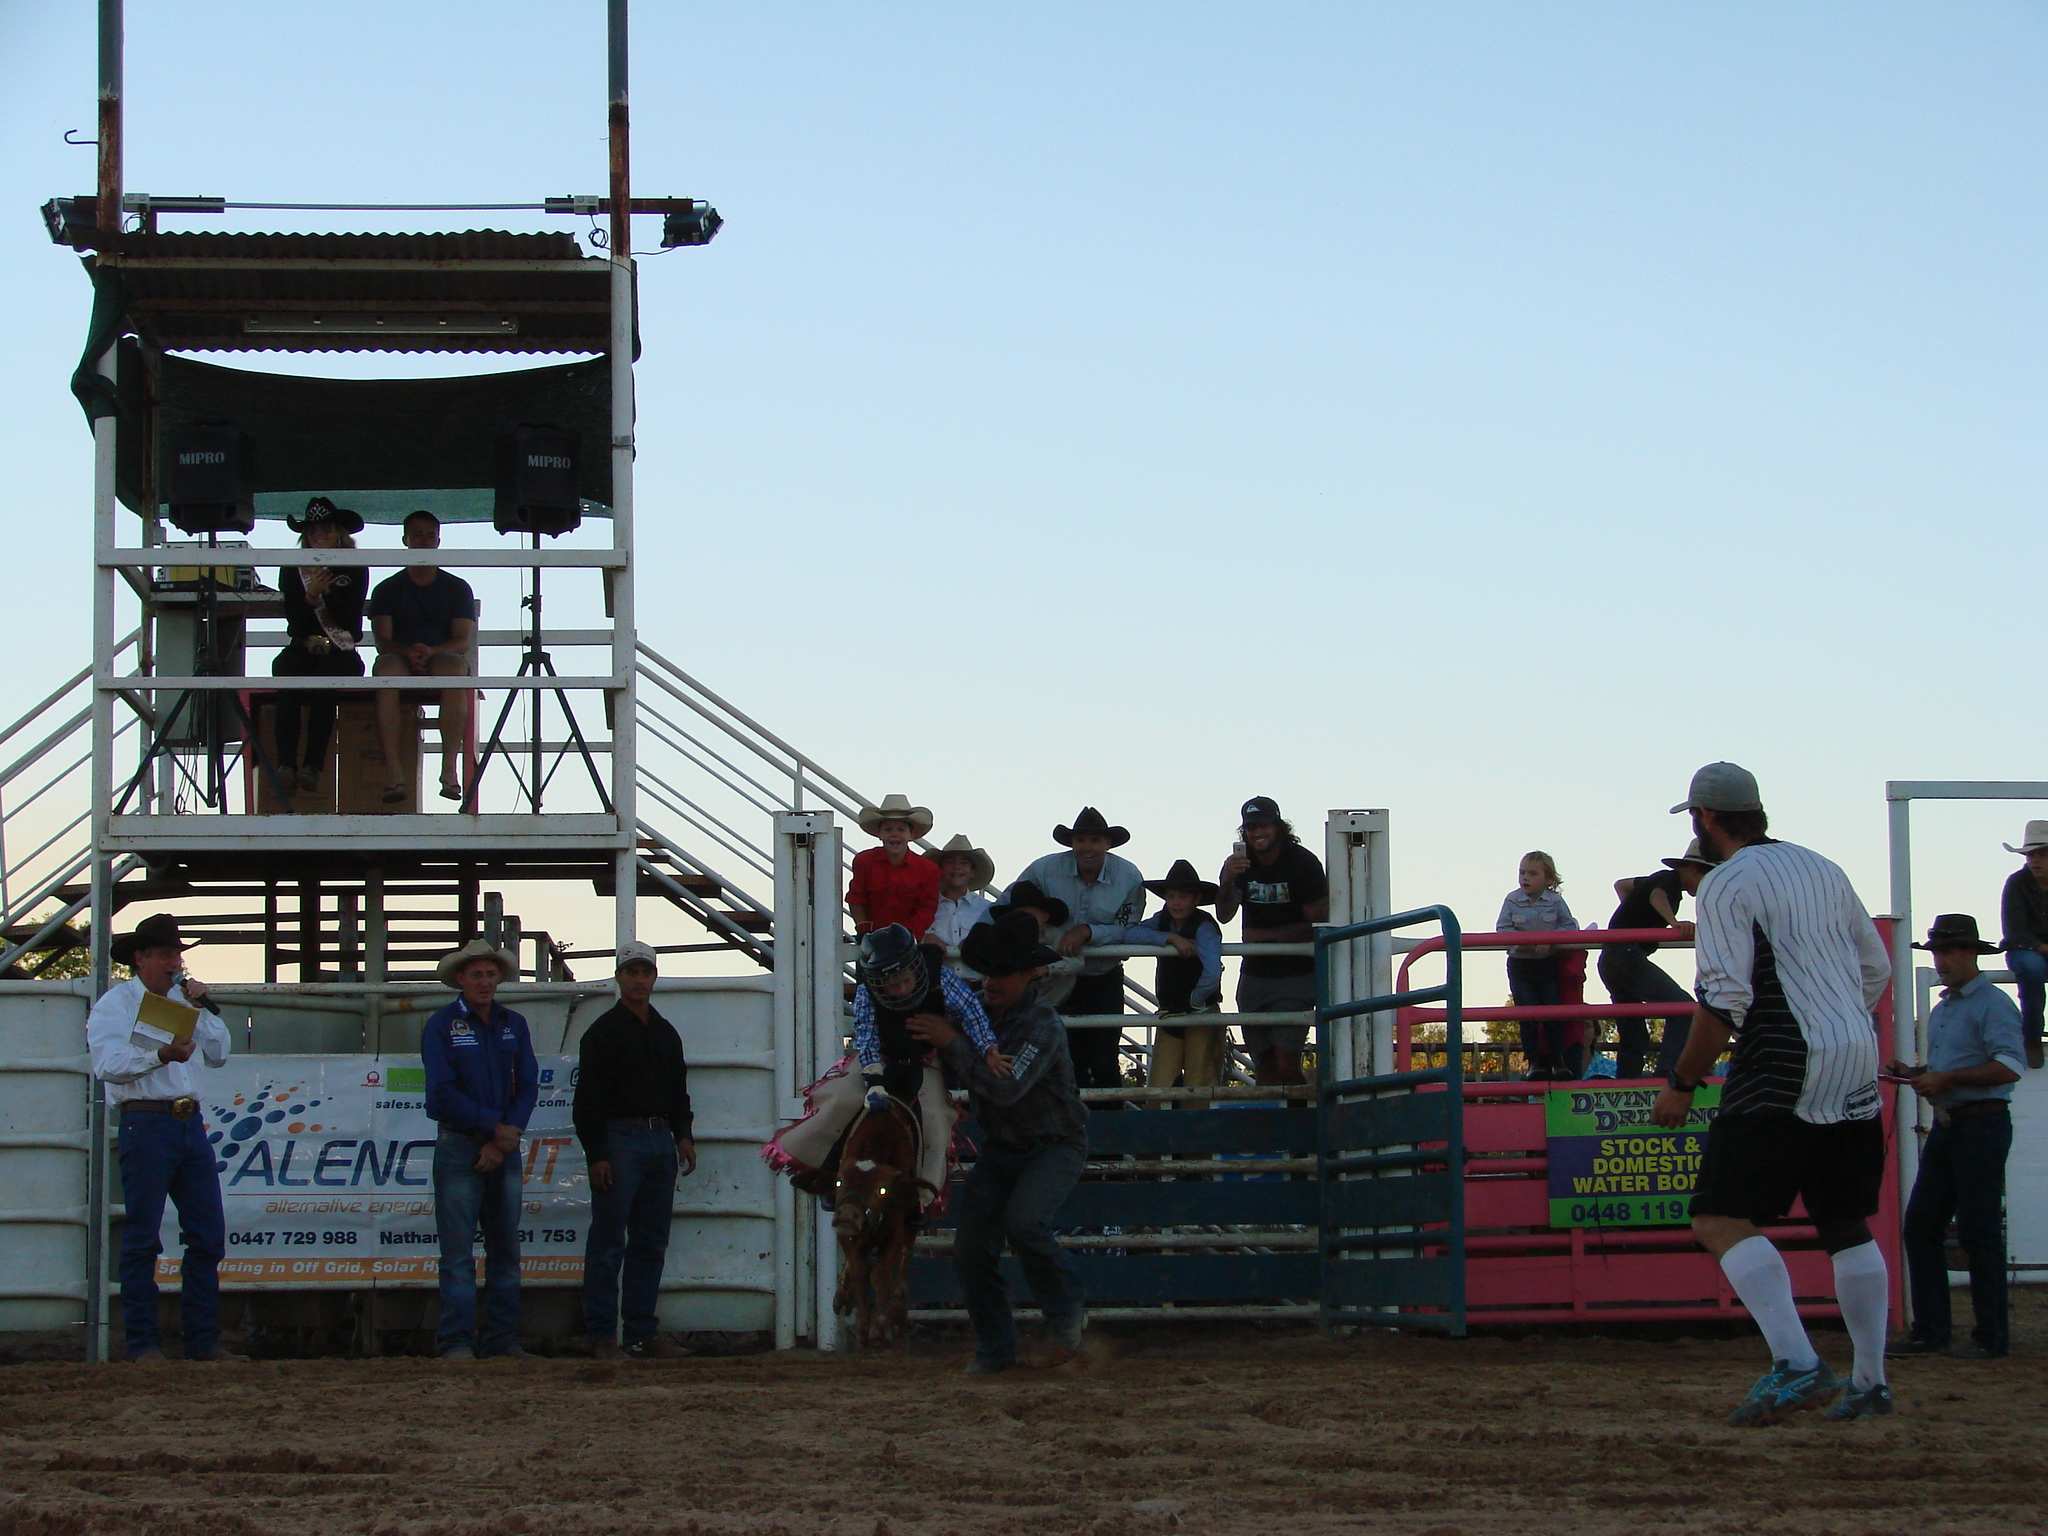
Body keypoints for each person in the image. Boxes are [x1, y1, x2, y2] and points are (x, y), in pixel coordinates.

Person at [1651, 762, 1896, 1425]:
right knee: (1844, 1220)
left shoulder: (1726, 883)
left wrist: (1681, 1083)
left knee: (1719, 1216)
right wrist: (1841, 1020)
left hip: (1783, 1057)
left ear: (1704, 817)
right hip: (1856, 1053)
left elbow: (1725, 997)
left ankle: (1797, 1361)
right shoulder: (1824, 867)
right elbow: (1875, 965)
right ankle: (1870, 1382)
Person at [909, 911, 1088, 1375]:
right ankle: (1001, 1347)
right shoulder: (979, 1014)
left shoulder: (1042, 1024)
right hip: (1007, 1146)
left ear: (1030, 974)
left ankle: (1061, 1319)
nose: (991, 982)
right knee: (973, 1247)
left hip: (1053, 1144)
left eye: (1003, 973)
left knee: (1024, 1224)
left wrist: (951, 1041)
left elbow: (1006, 1089)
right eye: (988, 971)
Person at [763, 924, 1005, 1208]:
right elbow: (866, 1037)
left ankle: (923, 1198)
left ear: (915, 968)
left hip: (925, 1061)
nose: (900, 989)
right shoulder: (867, 994)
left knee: (936, 1119)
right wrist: (874, 1080)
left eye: (905, 980)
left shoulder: (941, 978)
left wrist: (989, 1048)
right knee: (840, 1099)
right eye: (891, 984)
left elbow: (971, 1013)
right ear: (877, 981)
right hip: (878, 1059)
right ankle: (824, 1171)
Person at [85, 915, 235, 1362]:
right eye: (167, 955)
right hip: (146, 1120)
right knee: (143, 1236)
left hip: (187, 1122)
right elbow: (108, 1065)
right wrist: (161, 1055)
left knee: (207, 1235)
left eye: (177, 955)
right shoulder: (115, 1005)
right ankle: (143, 1343)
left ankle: (202, 1341)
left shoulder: (184, 1001)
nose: (175, 963)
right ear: (141, 958)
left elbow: (220, 1053)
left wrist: (201, 1007)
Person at [1889, 914, 2024, 1361]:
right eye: (1938, 952)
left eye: (1947, 952)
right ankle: (1957, 1333)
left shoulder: (1989, 1005)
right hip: (1962, 1123)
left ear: (1969, 954)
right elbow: (1994, 1065)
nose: (1941, 961)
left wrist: (1943, 1079)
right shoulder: (1953, 1007)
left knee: (1969, 1229)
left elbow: (2009, 1067)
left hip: (1977, 1124)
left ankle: (1973, 1334)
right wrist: (1922, 1074)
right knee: (1930, 1226)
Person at [574, 940, 696, 1361]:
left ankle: (633, 1333)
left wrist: (683, 1134)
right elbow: (588, 1101)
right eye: (632, 973)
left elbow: (678, 1091)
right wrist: (598, 1153)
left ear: (653, 978)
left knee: (646, 1239)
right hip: (623, 1138)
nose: (639, 980)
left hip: (653, 1137)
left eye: (645, 973)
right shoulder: (605, 1033)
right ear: (620, 978)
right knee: (614, 1240)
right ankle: (607, 1333)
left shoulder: (662, 1032)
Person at [422, 937, 537, 1361]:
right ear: (461, 979)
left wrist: (505, 1134)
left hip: (498, 1144)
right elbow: (440, 1093)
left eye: (491, 974)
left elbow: (528, 1084)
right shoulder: (441, 1025)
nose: (485, 982)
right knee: (458, 1252)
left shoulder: (513, 1024)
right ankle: (457, 1340)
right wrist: (498, 1130)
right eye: (477, 975)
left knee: (505, 1248)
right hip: (462, 1143)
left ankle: (501, 1339)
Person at [1010, 808, 1148, 1094]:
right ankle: (1070, 1114)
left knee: (1104, 1058)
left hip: (1101, 976)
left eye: (1095, 840)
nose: (1087, 847)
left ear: (1107, 844)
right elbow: (1012, 903)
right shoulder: (1044, 870)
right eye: (1081, 840)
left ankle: (1108, 1115)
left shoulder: (1129, 877)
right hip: (1053, 978)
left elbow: (1128, 927)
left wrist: (1088, 931)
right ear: (1072, 843)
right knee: (1061, 1055)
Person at [1216, 796, 1329, 1088]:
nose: (1257, 832)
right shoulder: (1241, 865)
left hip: (1296, 975)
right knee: (1264, 1064)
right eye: (1251, 827)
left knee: (1285, 1062)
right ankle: (1278, 1116)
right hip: (1254, 975)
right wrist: (1226, 879)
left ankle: (1301, 1112)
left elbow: (1319, 922)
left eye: (1263, 825)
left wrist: (1267, 937)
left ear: (1278, 826)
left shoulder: (1302, 863)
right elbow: (1224, 914)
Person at [366, 509, 475, 805]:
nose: (424, 541)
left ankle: (449, 768)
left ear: (438, 540)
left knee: (453, 670)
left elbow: (462, 640)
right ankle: (394, 772)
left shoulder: (457, 588)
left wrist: (431, 651)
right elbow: (383, 641)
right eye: (417, 535)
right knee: (386, 670)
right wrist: (409, 651)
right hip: (399, 657)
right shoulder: (387, 589)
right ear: (406, 540)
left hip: (442, 656)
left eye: (430, 535)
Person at [1599, 839, 1719, 1078]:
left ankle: (1626, 1082)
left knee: (1633, 1031)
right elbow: (1657, 895)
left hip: (1612, 957)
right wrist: (1673, 923)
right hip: (1627, 955)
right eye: (1705, 875)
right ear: (1692, 869)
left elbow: (1621, 885)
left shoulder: (1655, 880)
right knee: (1683, 1008)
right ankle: (1666, 1073)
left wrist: (1635, 915)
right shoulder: (1668, 881)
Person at [1105, 859, 1224, 1100]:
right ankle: (1165, 1117)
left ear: (1196, 899)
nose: (1176, 902)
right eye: (1171, 896)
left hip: (1198, 1013)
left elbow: (1213, 971)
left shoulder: (1204, 927)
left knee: (1197, 1081)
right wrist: (1170, 938)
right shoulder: (1163, 921)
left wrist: (1196, 1000)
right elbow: (1130, 934)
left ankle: (1190, 1120)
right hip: (1172, 1011)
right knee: (1163, 1082)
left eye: (1183, 896)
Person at [270, 497, 366, 794]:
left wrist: (324, 597)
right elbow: (295, 622)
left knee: (326, 682)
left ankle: (313, 766)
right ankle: (286, 764)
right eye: (313, 531)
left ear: (339, 533)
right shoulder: (293, 569)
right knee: (285, 671)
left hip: (340, 650)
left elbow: (350, 621)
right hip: (303, 646)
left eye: (326, 529)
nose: (319, 535)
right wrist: (309, 598)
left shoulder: (355, 567)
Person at [1495, 850, 1581, 1079]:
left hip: (1547, 963)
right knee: (1528, 1014)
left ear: (1548, 879)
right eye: (1522, 873)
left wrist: (1551, 941)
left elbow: (1569, 927)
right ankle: (1535, 1062)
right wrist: (1524, 944)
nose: (1525, 878)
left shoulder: (1555, 901)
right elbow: (1502, 929)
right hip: (1520, 965)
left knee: (1553, 1011)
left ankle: (1558, 1060)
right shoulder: (1512, 900)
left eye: (1532, 874)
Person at [846, 793, 941, 937]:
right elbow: (856, 899)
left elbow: (927, 908)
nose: (894, 834)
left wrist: (907, 935)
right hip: (872, 937)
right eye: (888, 829)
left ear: (911, 835)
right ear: (879, 834)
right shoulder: (863, 861)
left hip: (911, 941)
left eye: (901, 829)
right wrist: (864, 930)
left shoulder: (928, 869)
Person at [1997, 819, 2048, 1070]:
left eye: (2041, 855)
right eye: (2030, 855)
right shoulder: (2016, 882)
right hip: (2023, 950)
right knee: (2031, 968)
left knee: (2033, 969)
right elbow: (2015, 931)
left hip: (2033, 949)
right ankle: (2032, 1038)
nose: (2034, 861)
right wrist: (2042, 947)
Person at [926, 833, 996, 949]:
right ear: (940, 869)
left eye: (964, 863)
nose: (956, 867)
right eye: (950, 862)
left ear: (972, 872)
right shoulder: (924, 906)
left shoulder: (986, 909)